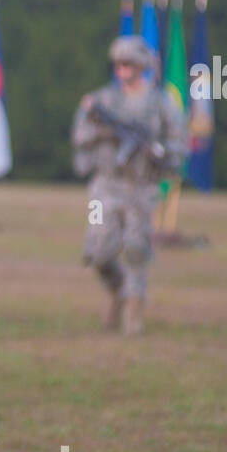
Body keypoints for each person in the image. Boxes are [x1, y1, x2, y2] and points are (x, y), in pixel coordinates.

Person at [71, 36, 188, 335]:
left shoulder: (160, 103)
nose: (123, 69)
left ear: (142, 66)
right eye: (119, 64)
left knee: (136, 249)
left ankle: (133, 312)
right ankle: (118, 291)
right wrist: (105, 132)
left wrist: (161, 155)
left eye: (129, 64)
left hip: (142, 187)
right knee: (97, 251)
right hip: (105, 187)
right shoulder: (101, 101)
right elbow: (80, 136)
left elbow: (178, 141)